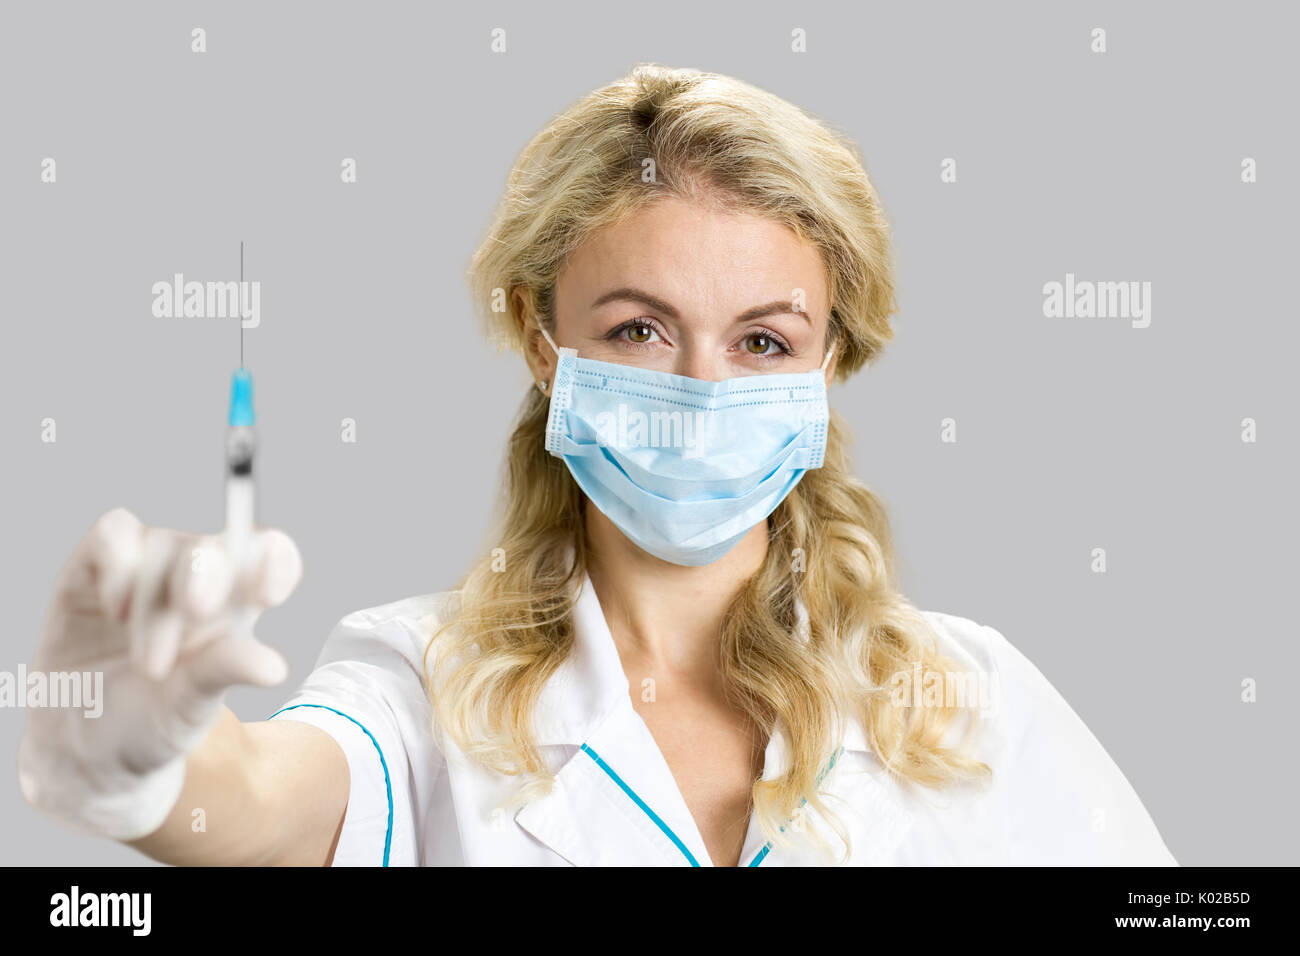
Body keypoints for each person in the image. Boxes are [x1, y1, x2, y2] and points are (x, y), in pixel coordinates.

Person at [17, 63, 1177, 867]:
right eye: (637, 330)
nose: (700, 391)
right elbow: (268, 804)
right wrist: (147, 770)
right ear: (541, 336)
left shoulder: (965, 698)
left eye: (763, 340)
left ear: (829, 363)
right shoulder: (423, 686)